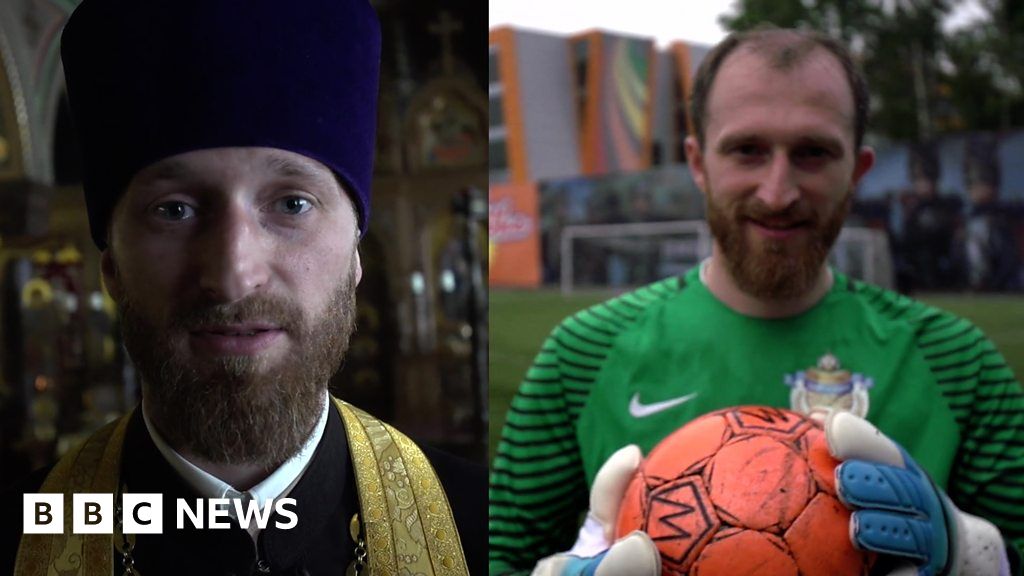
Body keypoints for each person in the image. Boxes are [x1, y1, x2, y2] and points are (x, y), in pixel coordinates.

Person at [489, 28, 1024, 575]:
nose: (777, 191)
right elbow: (494, 556)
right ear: (697, 162)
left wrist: (970, 553)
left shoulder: (960, 363)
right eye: (747, 150)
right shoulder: (580, 355)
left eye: (813, 153)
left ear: (858, 172)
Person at [1, 0, 486, 574]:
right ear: (111, 265)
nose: (233, 275)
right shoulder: (19, 539)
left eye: (292, 204)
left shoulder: (478, 525)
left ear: (357, 257)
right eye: (174, 210)